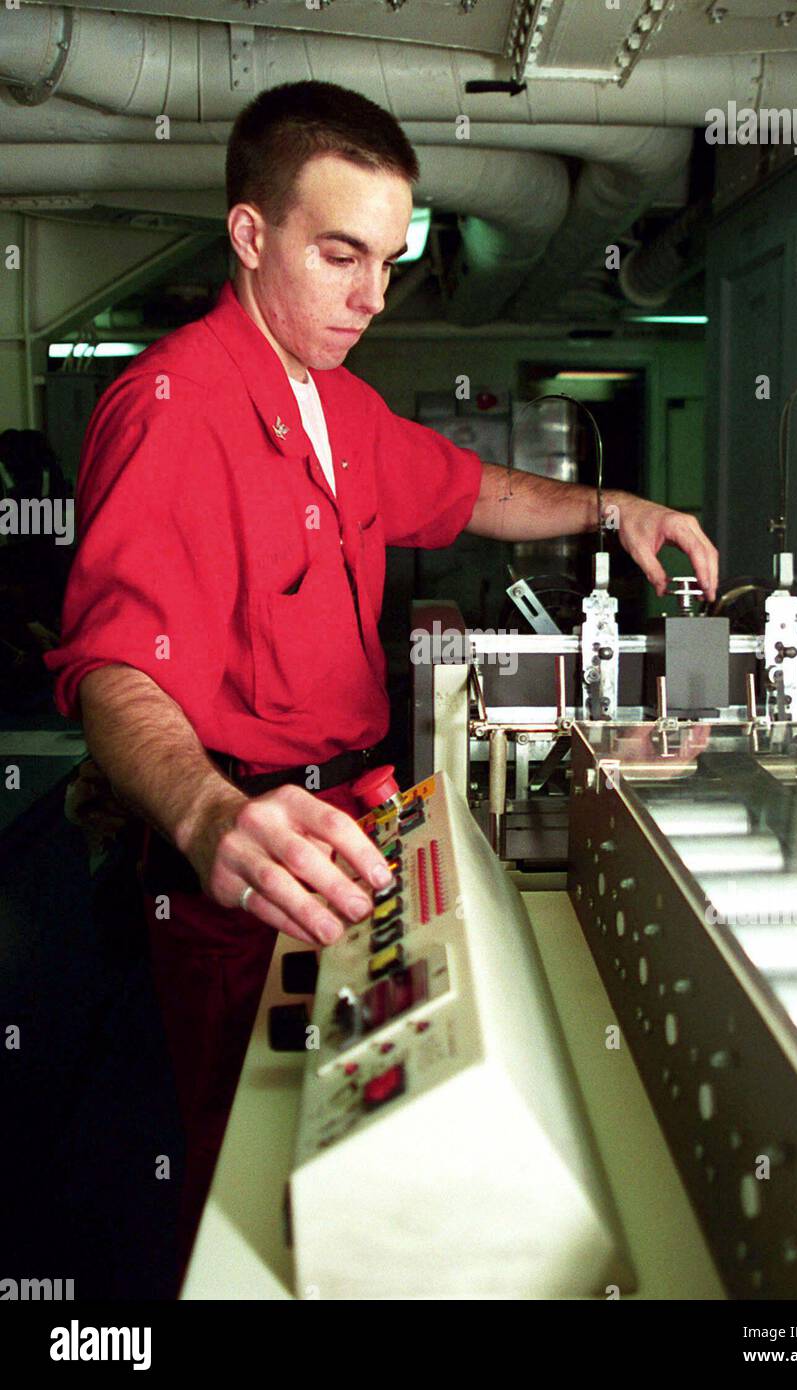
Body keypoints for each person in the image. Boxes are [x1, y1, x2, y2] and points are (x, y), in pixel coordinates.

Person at [44, 79, 719, 1288]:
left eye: (391, 261)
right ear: (251, 237)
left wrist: (621, 507)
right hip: (252, 863)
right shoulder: (168, 409)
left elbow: (471, 492)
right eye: (338, 254)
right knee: (249, 1190)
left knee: (366, 1158)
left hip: (356, 822)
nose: (370, 297)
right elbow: (109, 665)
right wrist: (209, 818)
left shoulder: (339, 403)